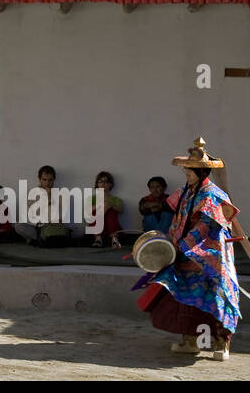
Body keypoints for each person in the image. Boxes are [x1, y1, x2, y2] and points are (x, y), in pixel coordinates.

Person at [136, 138, 240, 362]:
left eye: (190, 171)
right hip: (185, 253)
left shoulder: (213, 194)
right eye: (186, 171)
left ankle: (222, 343)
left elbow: (207, 225)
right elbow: (177, 219)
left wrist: (185, 243)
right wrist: (171, 240)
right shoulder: (186, 192)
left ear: (201, 172)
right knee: (184, 295)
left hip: (211, 256)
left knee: (215, 295)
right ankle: (191, 340)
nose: (186, 175)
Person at [17, 165, 74, 247]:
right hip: (39, 227)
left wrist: (50, 198)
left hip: (56, 226)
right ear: (39, 179)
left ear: (54, 179)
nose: (47, 183)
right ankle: (51, 239)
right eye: (44, 180)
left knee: (80, 229)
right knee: (19, 225)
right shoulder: (31, 194)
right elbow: (28, 216)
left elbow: (62, 216)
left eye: (50, 180)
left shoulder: (62, 195)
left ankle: (42, 240)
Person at [89, 171, 124, 248]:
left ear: (110, 184)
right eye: (100, 181)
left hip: (111, 226)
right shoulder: (92, 198)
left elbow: (121, 210)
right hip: (95, 225)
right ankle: (98, 238)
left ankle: (114, 239)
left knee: (110, 210)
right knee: (99, 208)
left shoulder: (116, 199)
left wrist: (110, 206)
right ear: (97, 184)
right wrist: (101, 206)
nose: (103, 184)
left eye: (106, 182)